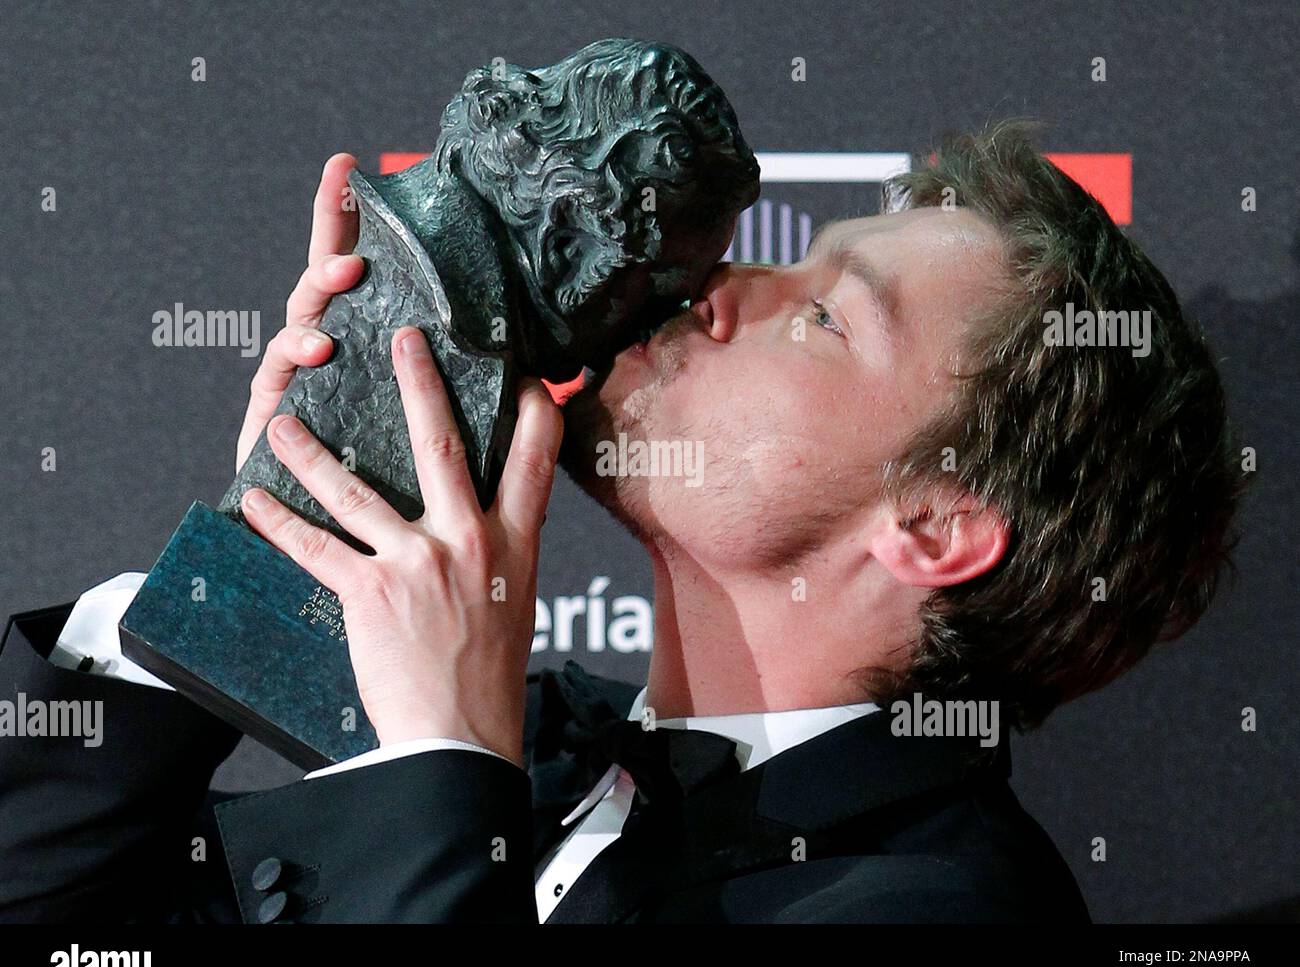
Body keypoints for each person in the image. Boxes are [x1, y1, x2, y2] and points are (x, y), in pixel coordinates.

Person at [0, 123, 1244, 923]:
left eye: (823, 315)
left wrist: (439, 773)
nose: (718, 290)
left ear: (933, 526)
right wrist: (257, 550)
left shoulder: (939, 908)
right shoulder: (536, 747)